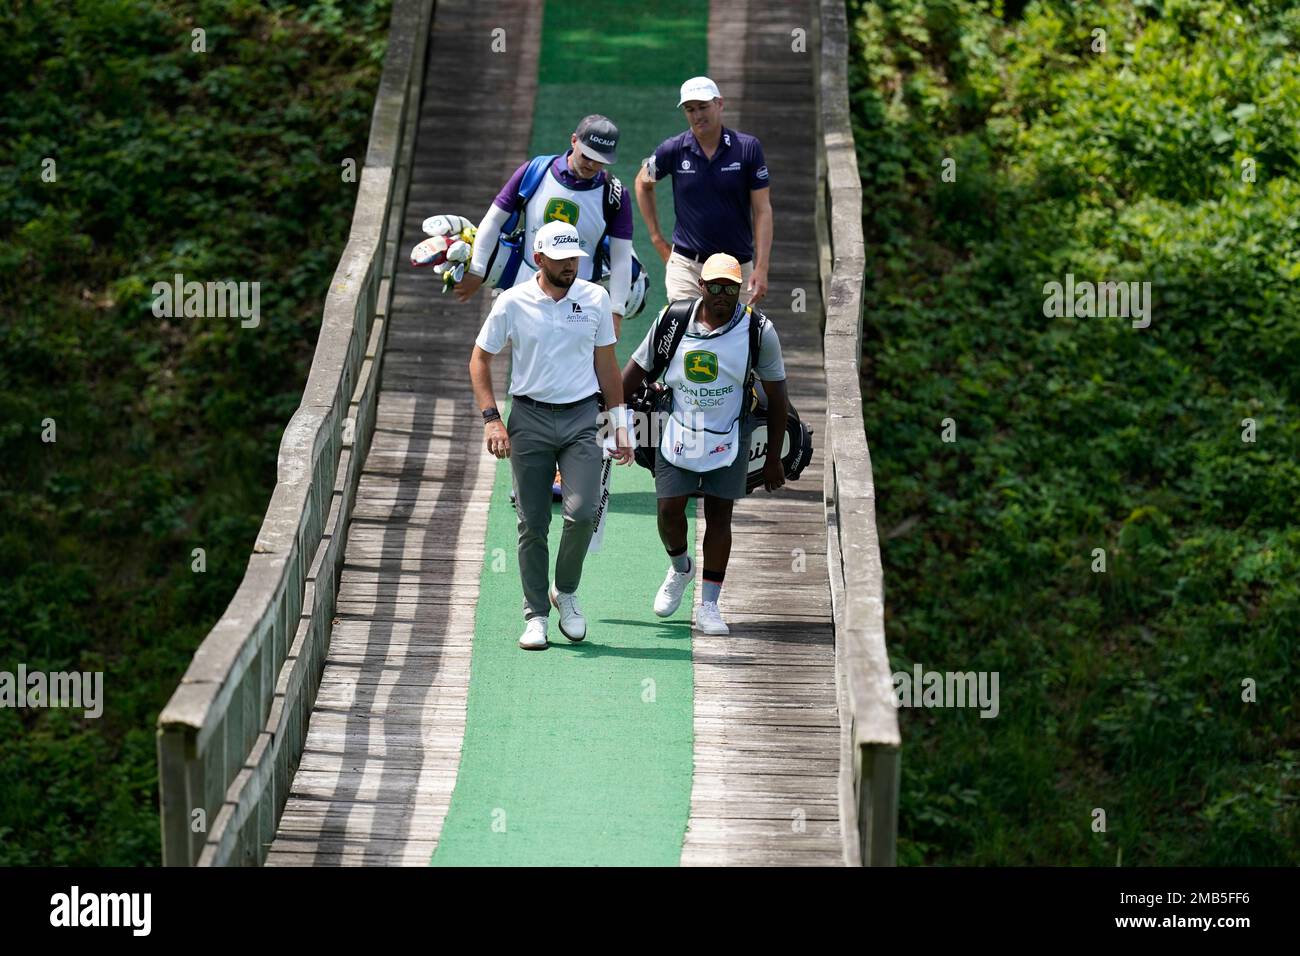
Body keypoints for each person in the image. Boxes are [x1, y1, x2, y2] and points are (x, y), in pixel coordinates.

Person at [469, 221, 633, 650]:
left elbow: (607, 364)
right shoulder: (512, 301)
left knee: (581, 513)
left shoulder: (595, 297)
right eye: (561, 260)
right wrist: (492, 419)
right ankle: (536, 613)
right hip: (529, 418)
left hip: (582, 418)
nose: (570, 266)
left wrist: (621, 424)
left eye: (575, 258)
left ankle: (567, 591)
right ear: (539, 259)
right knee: (533, 523)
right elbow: (480, 360)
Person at [621, 254, 788, 636]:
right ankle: (680, 567)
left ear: (739, 289)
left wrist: (775, 456)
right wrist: (607, 418)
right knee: (668, 511)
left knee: (719, 516)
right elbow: (634, 373)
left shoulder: (757, 330)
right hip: (678, 428)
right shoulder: (672, 321)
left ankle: (709, 605)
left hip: (730, 432)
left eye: (729, 287)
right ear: (702, 287)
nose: (722, 295)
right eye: (714, 286)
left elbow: (778, 396)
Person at [457, 114, 635, 340]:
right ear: (573, 141)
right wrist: (476, 270)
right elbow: (493, 220)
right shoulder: (535, 171)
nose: (592, 165)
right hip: (525, 288)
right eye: (587, 156)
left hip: (580, 299)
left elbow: (621, 258)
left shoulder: (615, 195)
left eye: (601, 160)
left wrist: (615, 312)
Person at [634, 76, 772, 307]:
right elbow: (642, 183)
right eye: (690, 109)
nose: (697, 115)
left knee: (738, 340)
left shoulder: (748, 148)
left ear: (720, 103)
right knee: (684, 337)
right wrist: (657, 239)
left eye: (703, 107)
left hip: (737, 268)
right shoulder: (672, 149)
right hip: (687, 269)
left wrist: (762, 267)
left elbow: (763, 210)